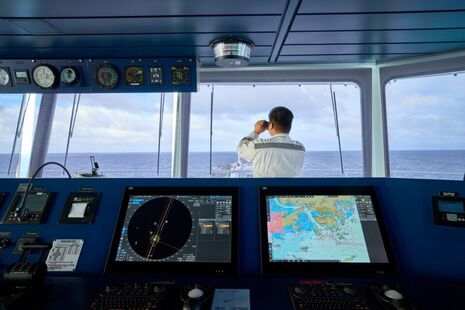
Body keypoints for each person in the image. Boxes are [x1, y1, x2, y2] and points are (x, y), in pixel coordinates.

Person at [237, 106, 305, 177]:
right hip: (291, 188)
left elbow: (240, 148)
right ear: (290, 126)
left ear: (271, 125)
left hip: (263, 188)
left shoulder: (258, 146)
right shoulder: (300, 148)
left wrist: (256, 132)